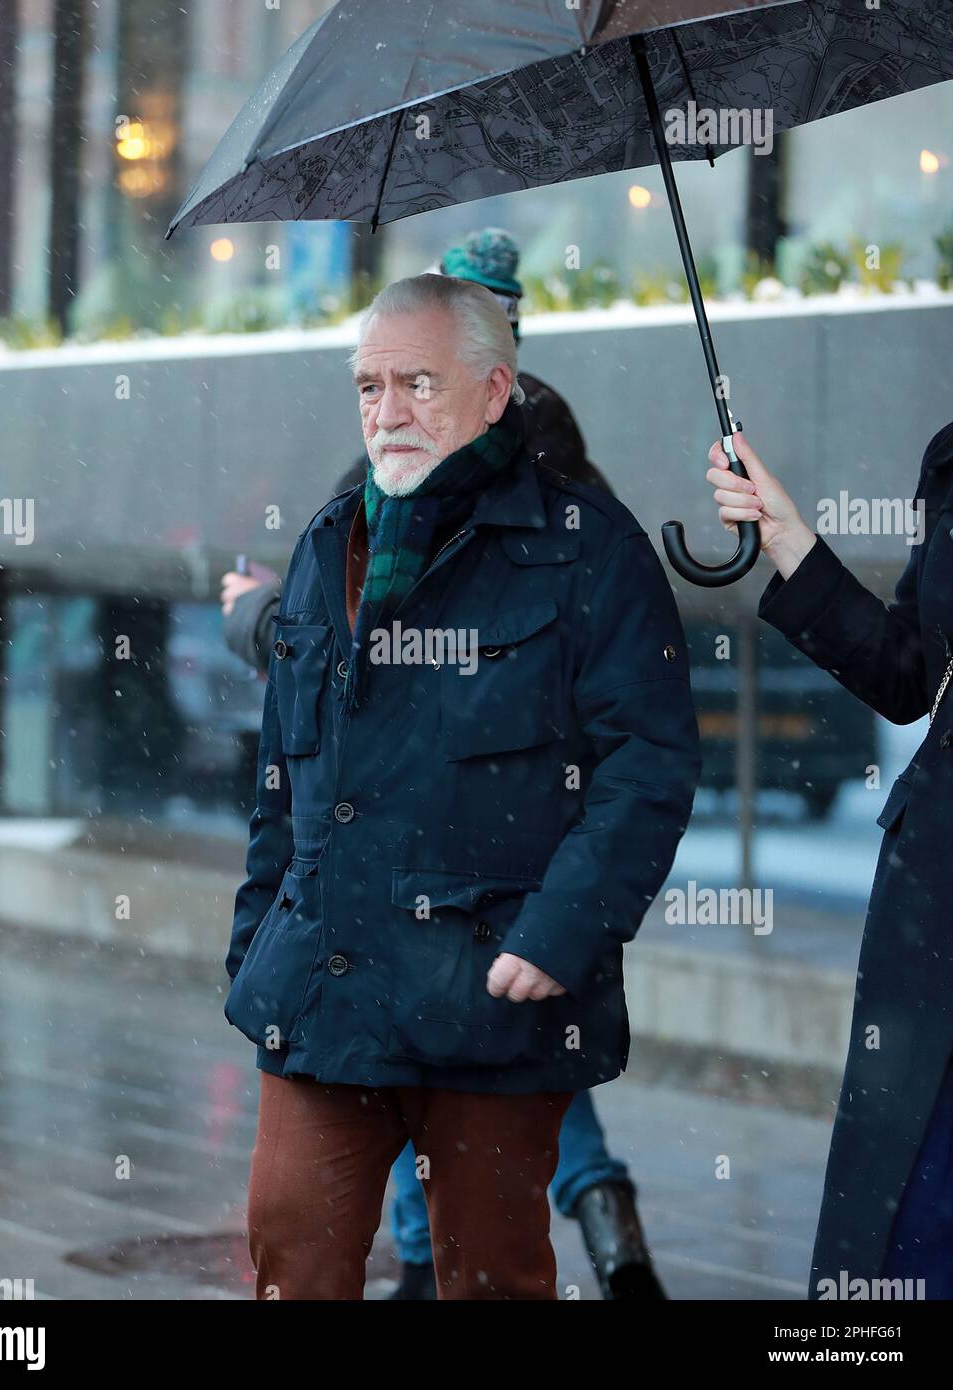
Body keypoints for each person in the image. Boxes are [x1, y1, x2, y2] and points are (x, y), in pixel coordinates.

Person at [223, 271, 700, 1300]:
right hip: (323, 988)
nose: (385, 411)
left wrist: (562, 929)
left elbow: (649, 761)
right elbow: (281, 777)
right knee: (292, 1254)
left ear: (494, 392)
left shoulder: (591, 552)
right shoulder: (325, 542)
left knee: (490, 1279)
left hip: (492, 993)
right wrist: (256, 943)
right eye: (367, 386)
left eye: (417, 385)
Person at [705, 421, 953, 1298]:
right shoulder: (951, 454)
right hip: (936, 913)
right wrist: (787, 540)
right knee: (907, 1231)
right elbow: (912, 674)